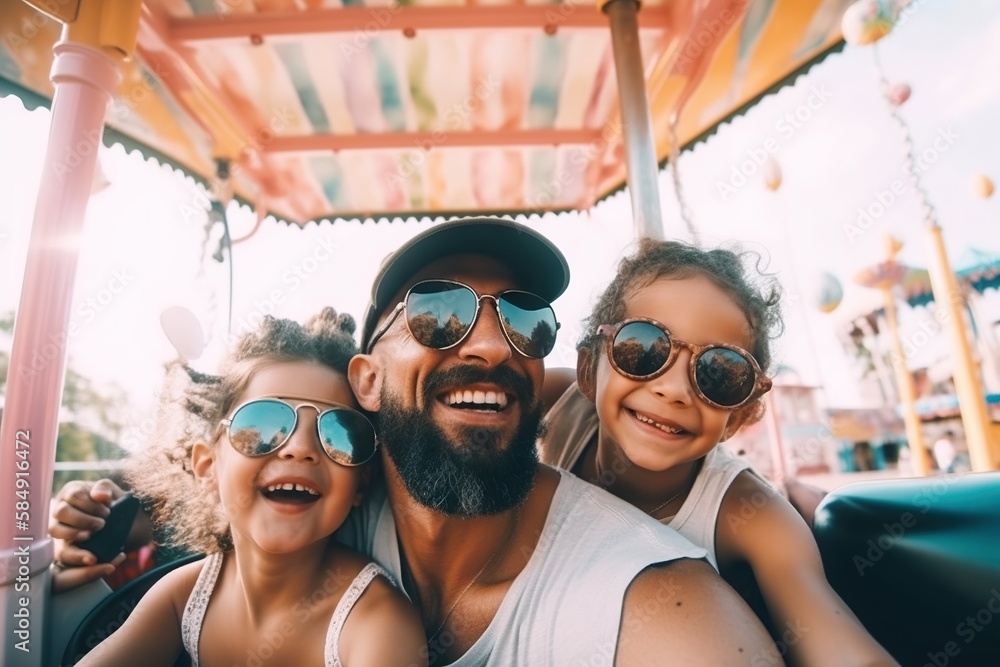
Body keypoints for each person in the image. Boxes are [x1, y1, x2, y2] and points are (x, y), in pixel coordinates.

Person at [53, 217, 779, 666]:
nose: (492, 346)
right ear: (367, 381)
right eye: (439, 314)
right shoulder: (332, 505)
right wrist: (110, 513)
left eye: (526, 322)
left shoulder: (653, 600)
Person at [539, 238, 899, 667]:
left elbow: (837, 642)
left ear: (738, 418)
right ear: (587, 371)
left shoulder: (751, 515)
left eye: (719, 374)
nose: (673, 390)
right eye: (641, 348)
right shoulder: (560, 402)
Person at [75, 308, 427, 666]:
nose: (300, 449)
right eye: (261, 425)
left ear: (360, 484)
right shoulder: (185, 595)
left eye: (337, 433)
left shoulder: (377, 621)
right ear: (207, 466)